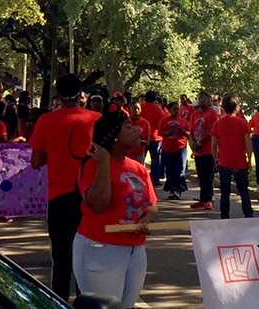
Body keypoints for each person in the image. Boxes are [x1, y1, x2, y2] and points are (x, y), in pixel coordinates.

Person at [74, 106, 157, 309]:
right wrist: (103, 162)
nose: (138, 130)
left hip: (135, 250)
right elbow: (99, 204)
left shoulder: (138, 168)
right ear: (114, 137)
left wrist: (146, 219)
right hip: (101, 248)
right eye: (129, 127)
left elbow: (152, 205)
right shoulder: (93, 165)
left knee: (127, 306)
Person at [30, 74, 101, 301]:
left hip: (59, 196)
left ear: (57, 95)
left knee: (61, 258)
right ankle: (85, 302)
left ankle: (59, 302)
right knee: (88, 257)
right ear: (81, 94)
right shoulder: (97, 119)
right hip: (90, 196)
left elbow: (36, 161)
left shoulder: (46, 121)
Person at [212, 95, 254, 219]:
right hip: (240, 162)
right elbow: (248, 143)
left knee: (225, 192)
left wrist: (215, 159)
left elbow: (213, 144)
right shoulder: (242, 123)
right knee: (243, 191)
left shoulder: (218, 123)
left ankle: (225, 216)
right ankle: (248, 214)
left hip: (224, 162)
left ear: (223, 107)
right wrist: (249, 158)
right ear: (236, 107)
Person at [190, 95, 219, 210]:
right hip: (197, 150)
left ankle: (208, 199)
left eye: (206, 99)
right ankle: (202, 199)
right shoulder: (195, 114)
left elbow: (211, 130)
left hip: (208, 149)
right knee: (201, 176)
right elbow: (191, 130)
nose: (203, 101)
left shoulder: (212, 113)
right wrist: (194, 145)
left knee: (208, 175)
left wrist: (201, 142)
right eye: (201, 99)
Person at [157, 102, 189, 200]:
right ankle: (172, 190)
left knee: (179, 170)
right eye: (174, 109)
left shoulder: (183, 121)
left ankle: (177, 190)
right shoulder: (164, 120)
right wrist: (168, 132)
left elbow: (189, 133)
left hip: (180, 148)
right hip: (168, 148)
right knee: (170, 170)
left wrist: (182, 131)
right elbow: (160, 133)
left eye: (177, 109)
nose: (176, 111)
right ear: (170, 110)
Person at [139, 92, 166, 187]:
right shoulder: (158, 110)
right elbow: (163, 122)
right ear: (154, 100)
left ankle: (140, 176)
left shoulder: (140, 107)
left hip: (143, 136)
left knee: (141, 158)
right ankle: (155, 179)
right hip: (155, 137)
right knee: (155, 159)